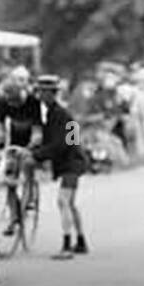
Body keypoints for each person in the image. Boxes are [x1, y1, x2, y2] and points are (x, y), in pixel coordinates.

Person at [31, 74, 91, 259]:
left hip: (71, 162)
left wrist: (37, 155)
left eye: (44, 92)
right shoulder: (56, 113)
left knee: (63, 201)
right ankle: (80, 241)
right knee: (70, 203)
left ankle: (66, 244)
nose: (40, 96)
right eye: (39, 92)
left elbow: (60, 144)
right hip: (73, 159)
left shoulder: (59, 114)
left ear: (52, 93)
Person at [0, 67, 43, 237]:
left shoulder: (33, 102)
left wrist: (29, 148)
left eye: (16, 102)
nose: (13, 106)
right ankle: (14, 218)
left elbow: (38, 131)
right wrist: (0, 150)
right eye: (10, 103)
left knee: (27, 164)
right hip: (14, 139)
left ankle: (29, 196)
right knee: (10, 179)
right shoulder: (2, 103)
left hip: (31, 139)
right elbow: (0, 128)